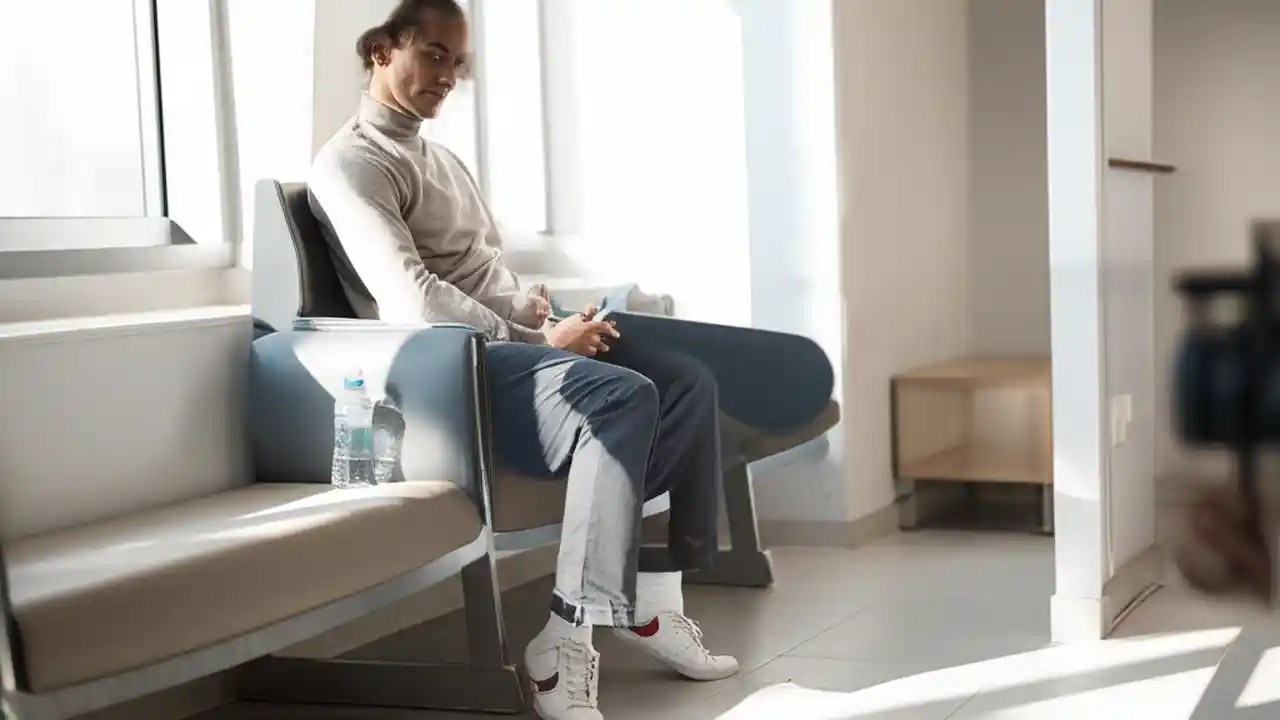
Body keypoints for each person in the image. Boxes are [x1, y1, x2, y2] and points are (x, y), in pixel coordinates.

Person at [306, 1, 739, 718]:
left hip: (507, 344)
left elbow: (482, 271)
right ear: (381, 50)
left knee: (687, 380)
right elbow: (412, 297)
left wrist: (540, 311)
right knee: (624, 396)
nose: (448, 75)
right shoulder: (352, 162)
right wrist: (539, 342)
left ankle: (654, 600)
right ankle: (564, 640)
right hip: (448, 367)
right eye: (434, 54)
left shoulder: (443, 159)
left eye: (458, 63)